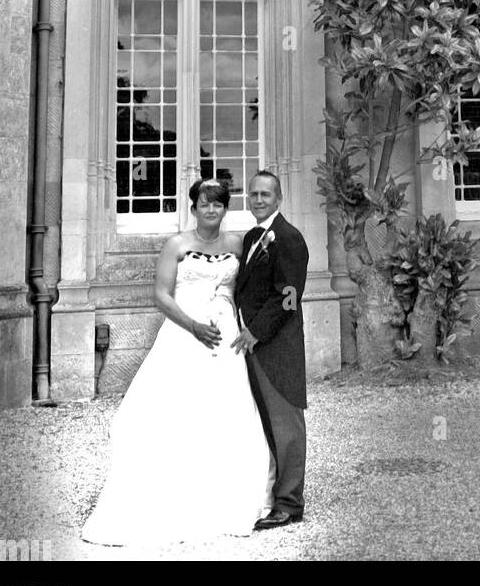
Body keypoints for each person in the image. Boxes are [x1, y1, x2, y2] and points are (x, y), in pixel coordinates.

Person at [81, 178, 272, 546]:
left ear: (225, 208)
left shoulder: (237, 244)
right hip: (184, 333)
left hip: (225, 335)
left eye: (218, 204)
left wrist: (229, 308)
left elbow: (249, 286)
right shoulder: (177, 245)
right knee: (174, 407)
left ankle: (225, 486)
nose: (211, 210)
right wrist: (194, 327)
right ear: (194, 207)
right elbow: (162, 296)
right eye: (205, 204)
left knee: (227, 408)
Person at [232, 170, 309, 528]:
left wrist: (255, 333)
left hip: (277, 344)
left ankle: (290, 504)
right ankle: (272, 491)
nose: (259, 200)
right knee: (264, 421)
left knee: (286, 423)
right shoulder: (251, 237)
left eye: (266, 194)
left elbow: (288, 298)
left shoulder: (289, 239)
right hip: (253, 343)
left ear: (279, 199)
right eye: (253, 194)